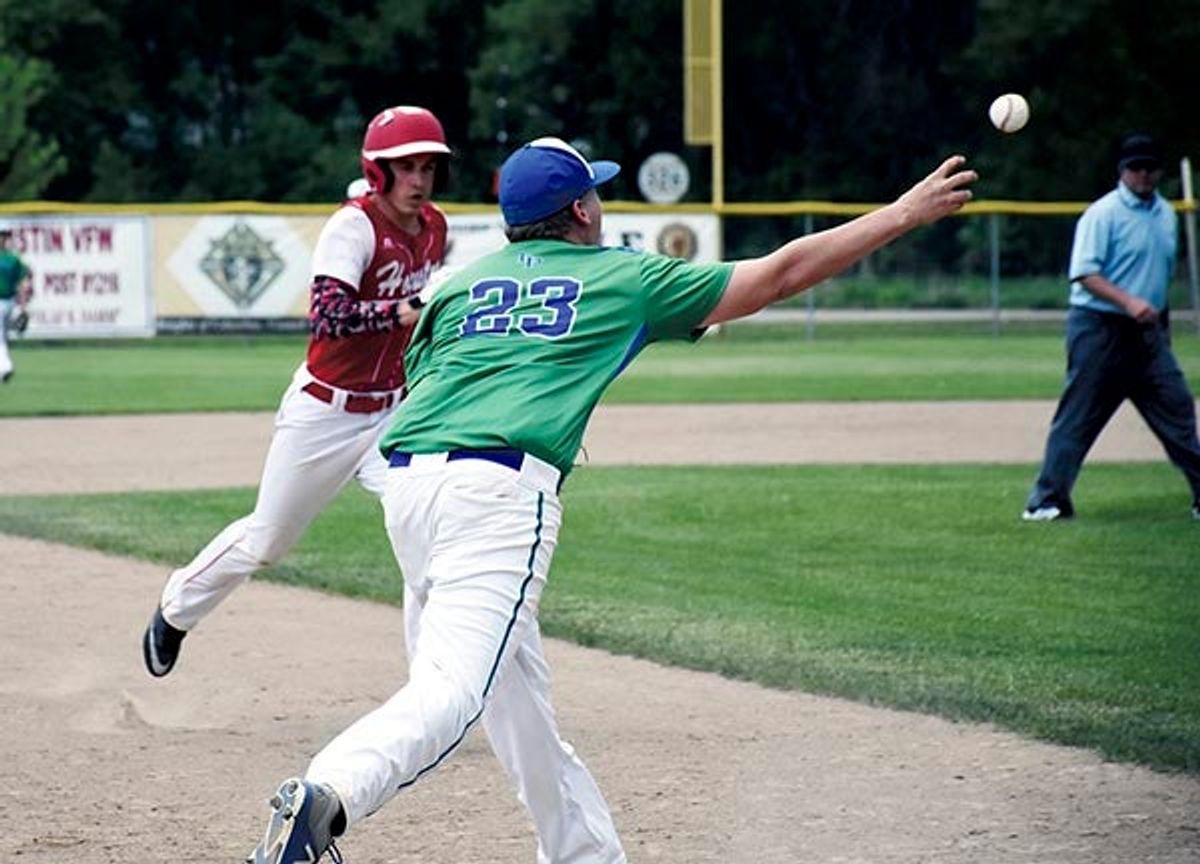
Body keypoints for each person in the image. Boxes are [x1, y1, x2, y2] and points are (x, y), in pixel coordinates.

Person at [244, 136, 977, 864]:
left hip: (408, 486)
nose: (599, 202)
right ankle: (327, 794)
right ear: (580, 211)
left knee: (519, 704)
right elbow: (778, 274)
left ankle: (584, 854)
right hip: (496, 496)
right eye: (593, 191)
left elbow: (424, 379)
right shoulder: (623, 276)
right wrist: (900, 215)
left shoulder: (460, 285)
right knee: (453, 691)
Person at [142, 105, 452, 676]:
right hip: (325, 412)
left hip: (395, 413)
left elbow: (419, 324)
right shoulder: (352, 228)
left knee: (427, 533)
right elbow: (329, 317)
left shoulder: (435, 229)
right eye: (405, 166)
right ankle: (176, 608)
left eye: (428, 167)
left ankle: (433, 686)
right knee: (267, 543)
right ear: (378, 170)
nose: (418, 179)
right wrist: (408, 308)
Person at [1022, 133, 1200, 522]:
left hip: (1149, 335)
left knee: (1179, 412)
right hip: (1100, 329)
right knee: (1079, 416)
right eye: (1136, 167)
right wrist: (1128, 301)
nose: (1144, 175)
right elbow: (1084, 273)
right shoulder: (1103, 214)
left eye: (1150, 167)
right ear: (1122, 171)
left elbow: (1159, 277)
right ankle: (1047, 501)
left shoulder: (1165, 214)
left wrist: (1160, 325)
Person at [0, 227, 33, 383]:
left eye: (4, 236)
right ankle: (3, 371)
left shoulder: (13, 259)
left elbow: (23, 284)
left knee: (1, 338)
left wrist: (23, 307)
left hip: (7, 303)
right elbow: (24, 284)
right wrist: (22, 308)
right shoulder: (14, 259)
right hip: (10, 304)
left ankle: (6, 367)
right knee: (3, 337)